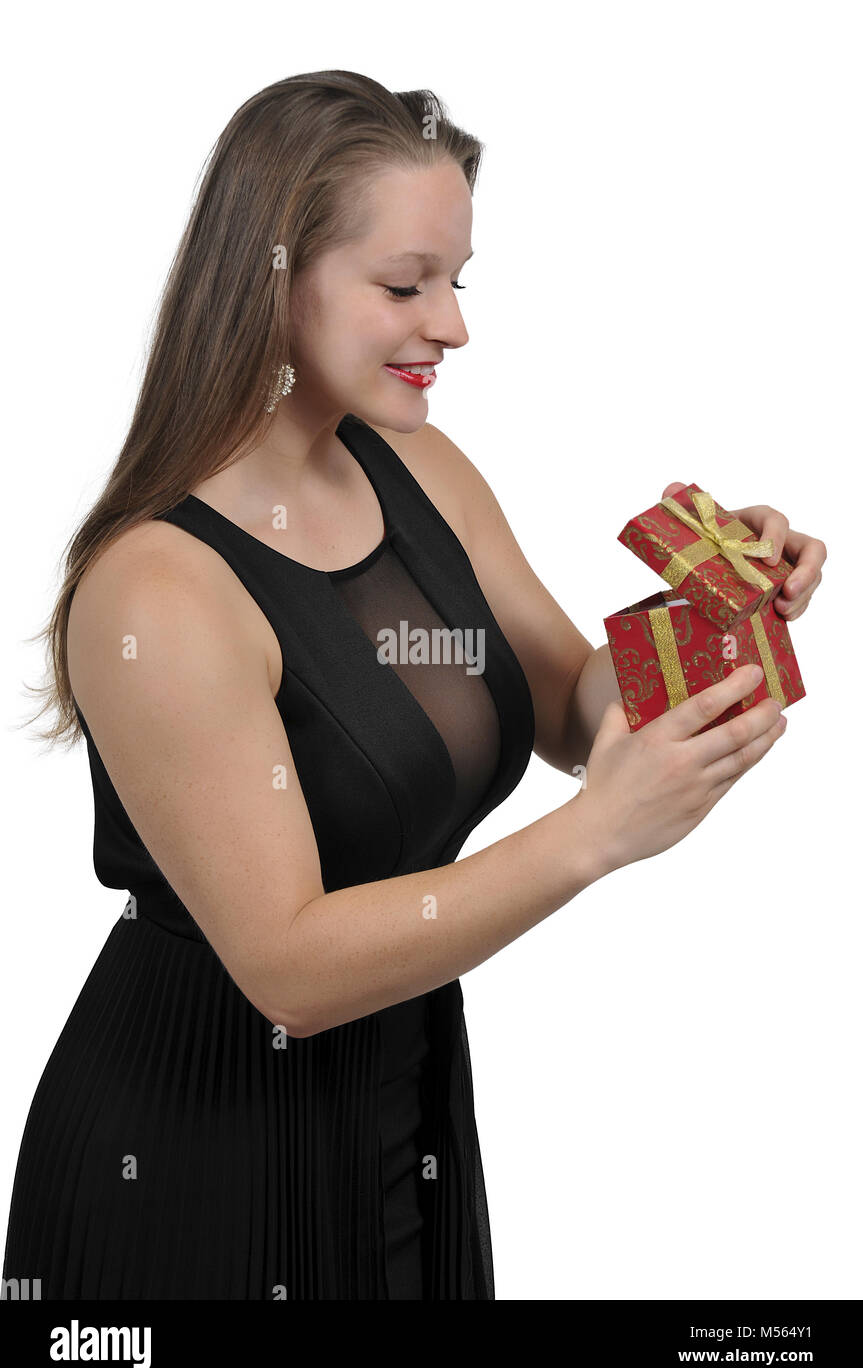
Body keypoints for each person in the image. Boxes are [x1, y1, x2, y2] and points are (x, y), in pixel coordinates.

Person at [2, 70, 825, 1301]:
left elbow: (568, 704)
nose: (451, 327)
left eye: (457, 280)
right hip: (194, 1158)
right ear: (270, 281)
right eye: (405, 285)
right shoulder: (158, 589)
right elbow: (285, 965)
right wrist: (593, 836)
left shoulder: (419, 469)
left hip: (405, 1097)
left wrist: (714, 605)